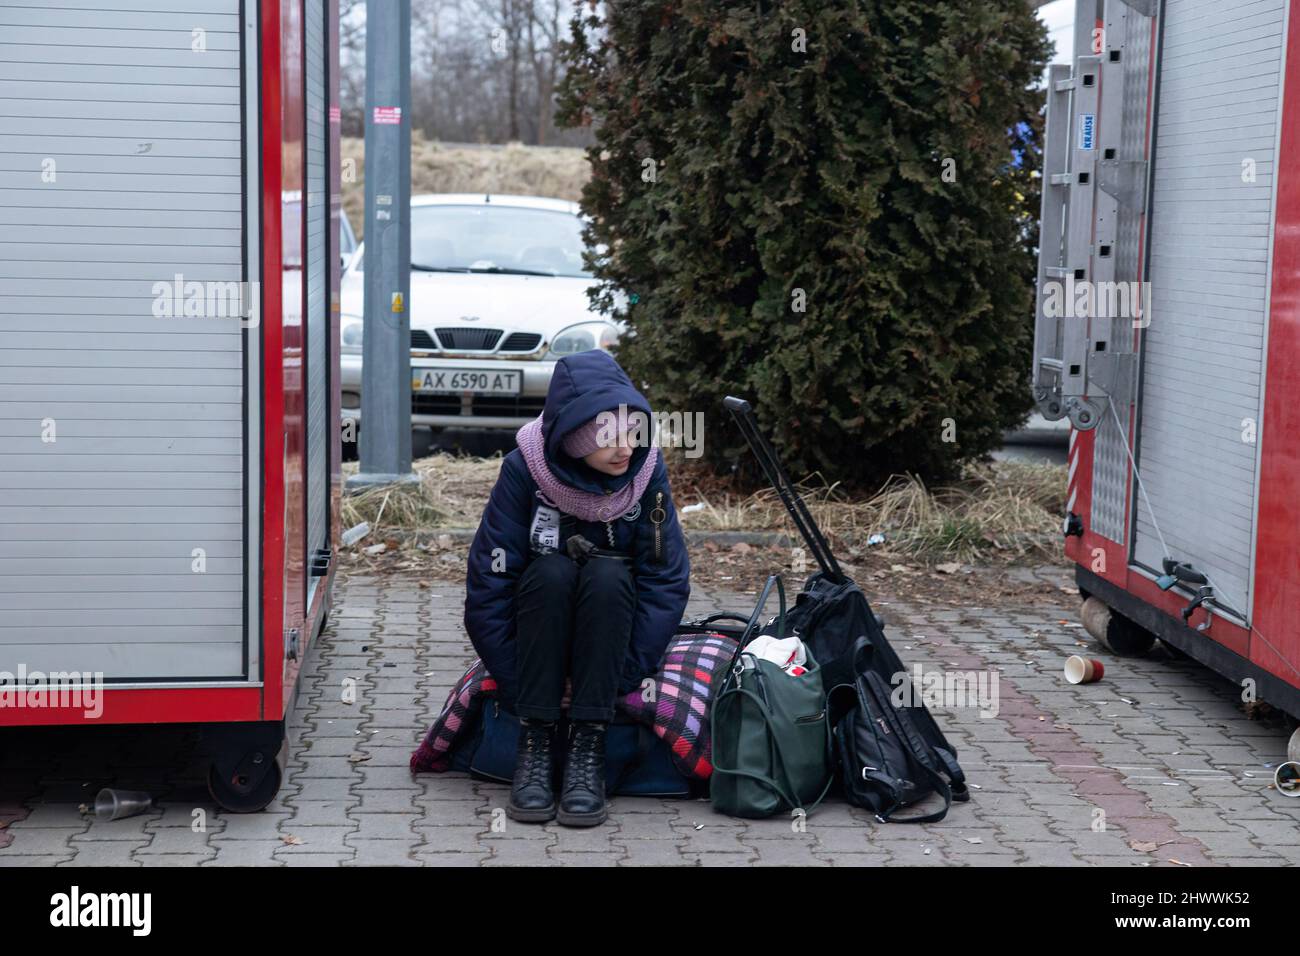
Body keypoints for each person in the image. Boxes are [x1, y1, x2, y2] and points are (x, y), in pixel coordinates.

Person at [463, 350, 691, 826]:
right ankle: (536, 742)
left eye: (633, 432)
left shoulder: (646, 475)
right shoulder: (523, 470)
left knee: (609, 574)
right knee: (552, 572)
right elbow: (490, 581)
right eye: (609, 438)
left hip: (610, 645)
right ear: (572, 437)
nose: (626, 448)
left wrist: (625, 677)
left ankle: (589, 745)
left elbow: (664, 579)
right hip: (538, 642)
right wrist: (516, 680)